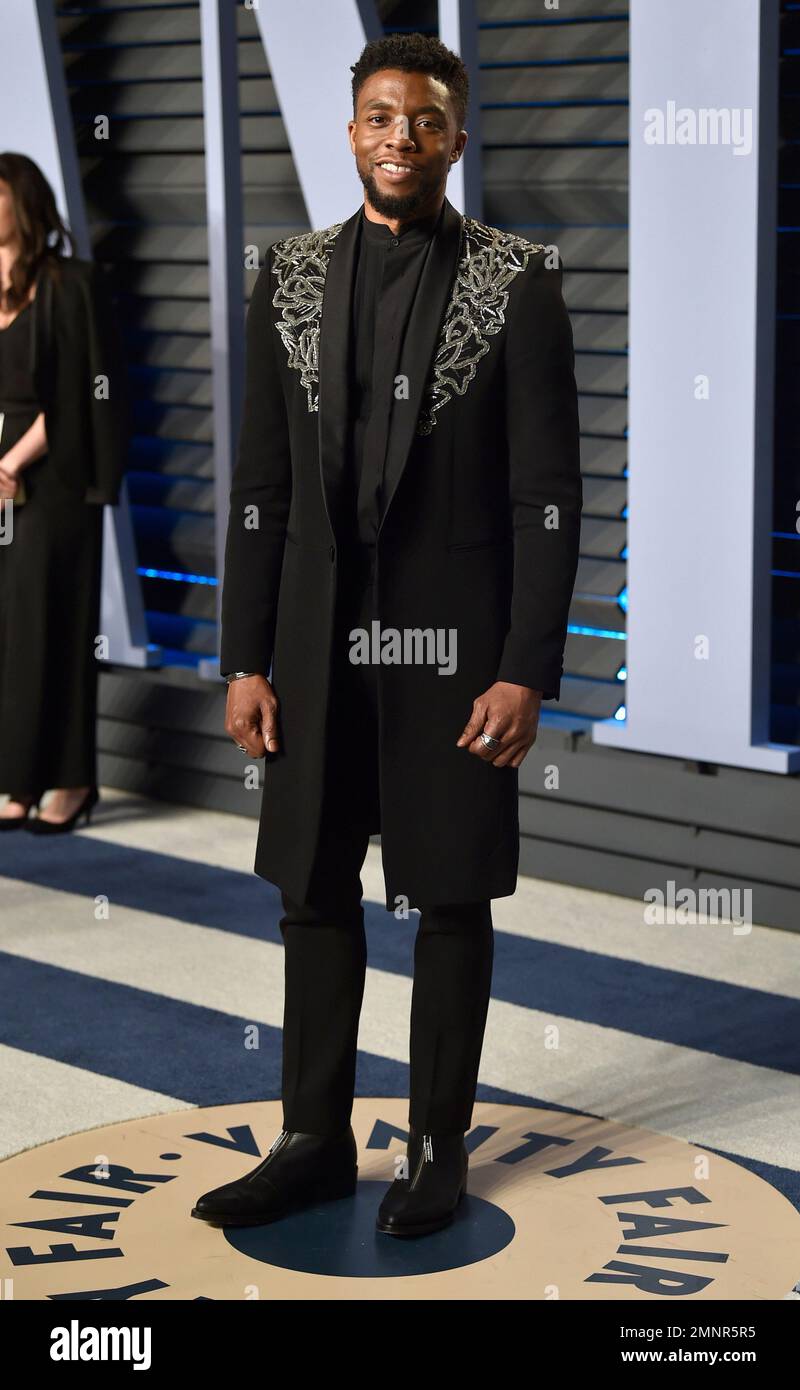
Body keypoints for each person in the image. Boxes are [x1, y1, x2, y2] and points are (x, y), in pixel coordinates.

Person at [192, 33, 582, 1238]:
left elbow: (548, 496)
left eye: (422, 119)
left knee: (448, 897)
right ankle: (311, 1137)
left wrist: (525, 668)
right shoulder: (291, 278)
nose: (399, 137)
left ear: (456, 137)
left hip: (453, 653)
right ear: (348, 130)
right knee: (312, 890)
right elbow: (258, 479)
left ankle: (433, 1145)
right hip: (311, 648)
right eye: (377, 116)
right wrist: (243, 653)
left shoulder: (518, 279)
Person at [0, 153, 130, 833]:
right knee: (10, 636)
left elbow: (85, 389)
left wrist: (11, 463)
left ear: (21, 204)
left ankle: (73, 781)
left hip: (53, 479)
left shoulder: (69, 283)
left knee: (56, 627)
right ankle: (16, 782)